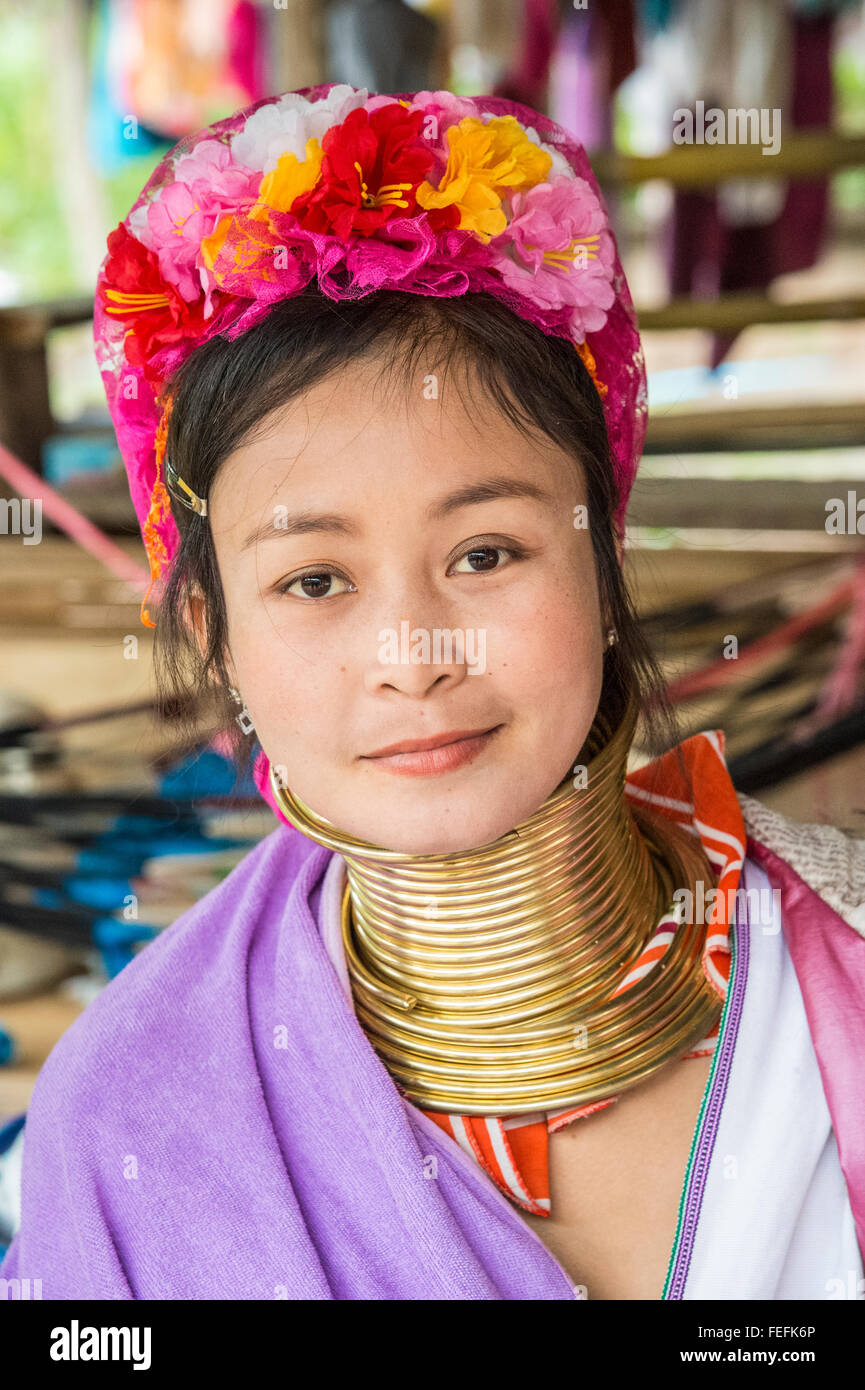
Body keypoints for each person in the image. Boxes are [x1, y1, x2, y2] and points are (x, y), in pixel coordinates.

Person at [2, 83, 863, 1301]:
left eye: (485, 554)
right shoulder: (137, 1111)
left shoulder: (838, 977)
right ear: (215, 634)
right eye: (313, 580)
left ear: (603, 557)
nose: (412, 654)